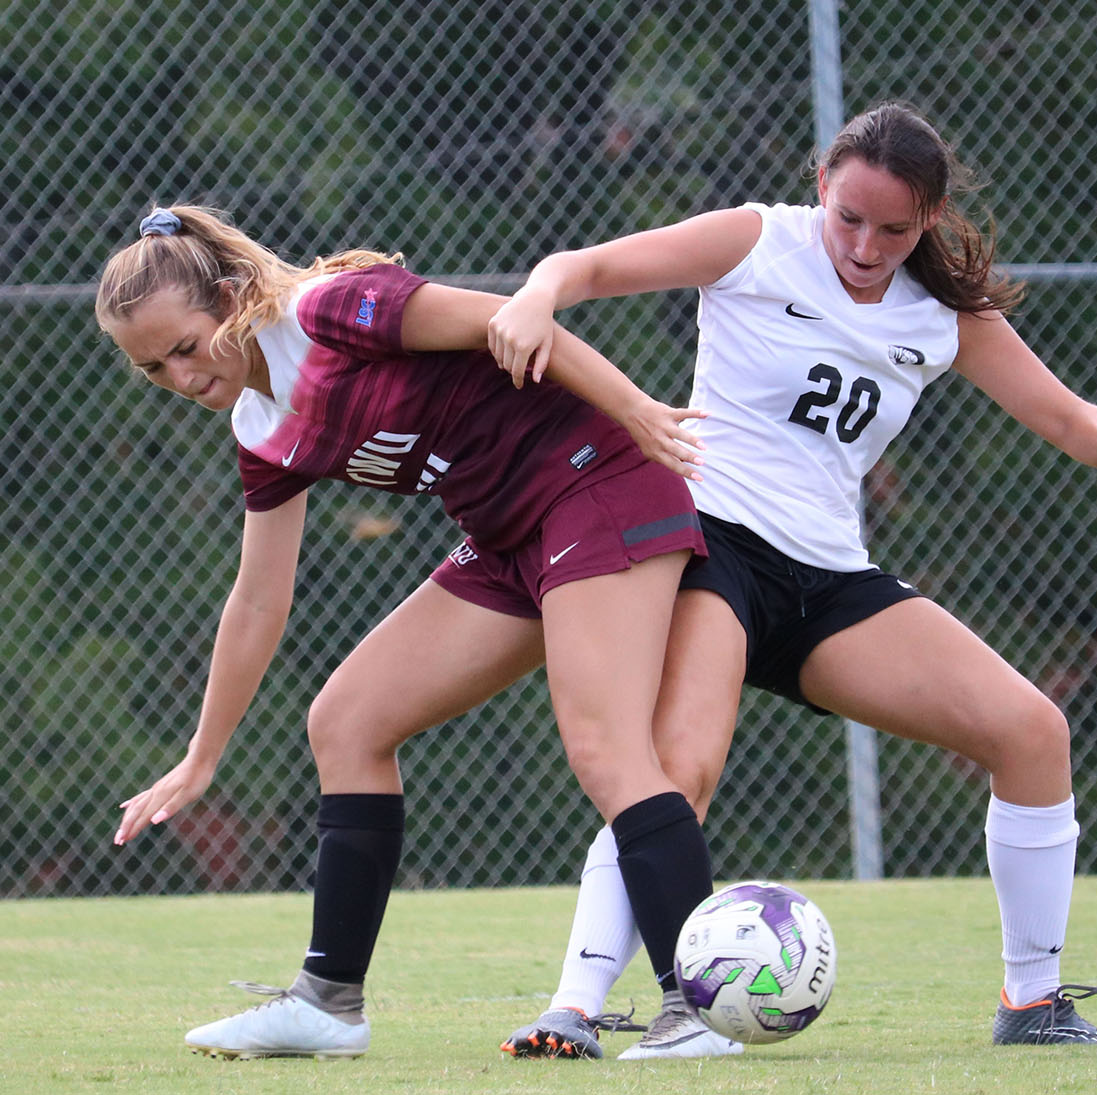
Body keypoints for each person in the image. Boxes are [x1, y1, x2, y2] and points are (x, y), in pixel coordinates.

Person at [486, 101, 1097, 1060]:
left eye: (893, 229)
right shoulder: (756, 241)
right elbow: (585, 268)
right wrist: (534, 298)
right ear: (822, 186)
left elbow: (1068, 420)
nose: (864, 244)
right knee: (673, 771)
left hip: (827, 578)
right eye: (848, 216)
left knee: (1031, 732)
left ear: (928, 219)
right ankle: (577, 1006)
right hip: (712, 549)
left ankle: (1034, 1003)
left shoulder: (942, 318)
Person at [96, 204, 718, 1060]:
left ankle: (695, 1012)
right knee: (347, 721)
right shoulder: (260, 429)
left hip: (599, 485)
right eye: (151, 366)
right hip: (505, 534)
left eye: (185, 345)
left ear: (232, 298)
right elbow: (256, 600)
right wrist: (203, 755)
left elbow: (518, 325)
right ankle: (327, 1003)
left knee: (605, 748)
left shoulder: (330, 310)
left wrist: (638, 410)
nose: (177, 373)